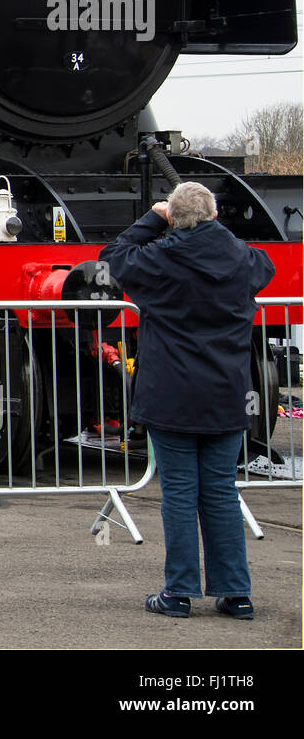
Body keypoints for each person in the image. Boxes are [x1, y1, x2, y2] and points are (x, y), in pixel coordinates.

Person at [101, 181, 274, 621]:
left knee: (178, 494)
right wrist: (210, 226)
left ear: (173, 219)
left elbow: (113, 257)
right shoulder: (245, 260)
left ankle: (178, 592)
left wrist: (154, 219)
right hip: (225, 393)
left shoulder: (159, 258)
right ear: (214, 217)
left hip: (171, 394)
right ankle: (236, 593)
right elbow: (264, 265)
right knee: (220, 492)